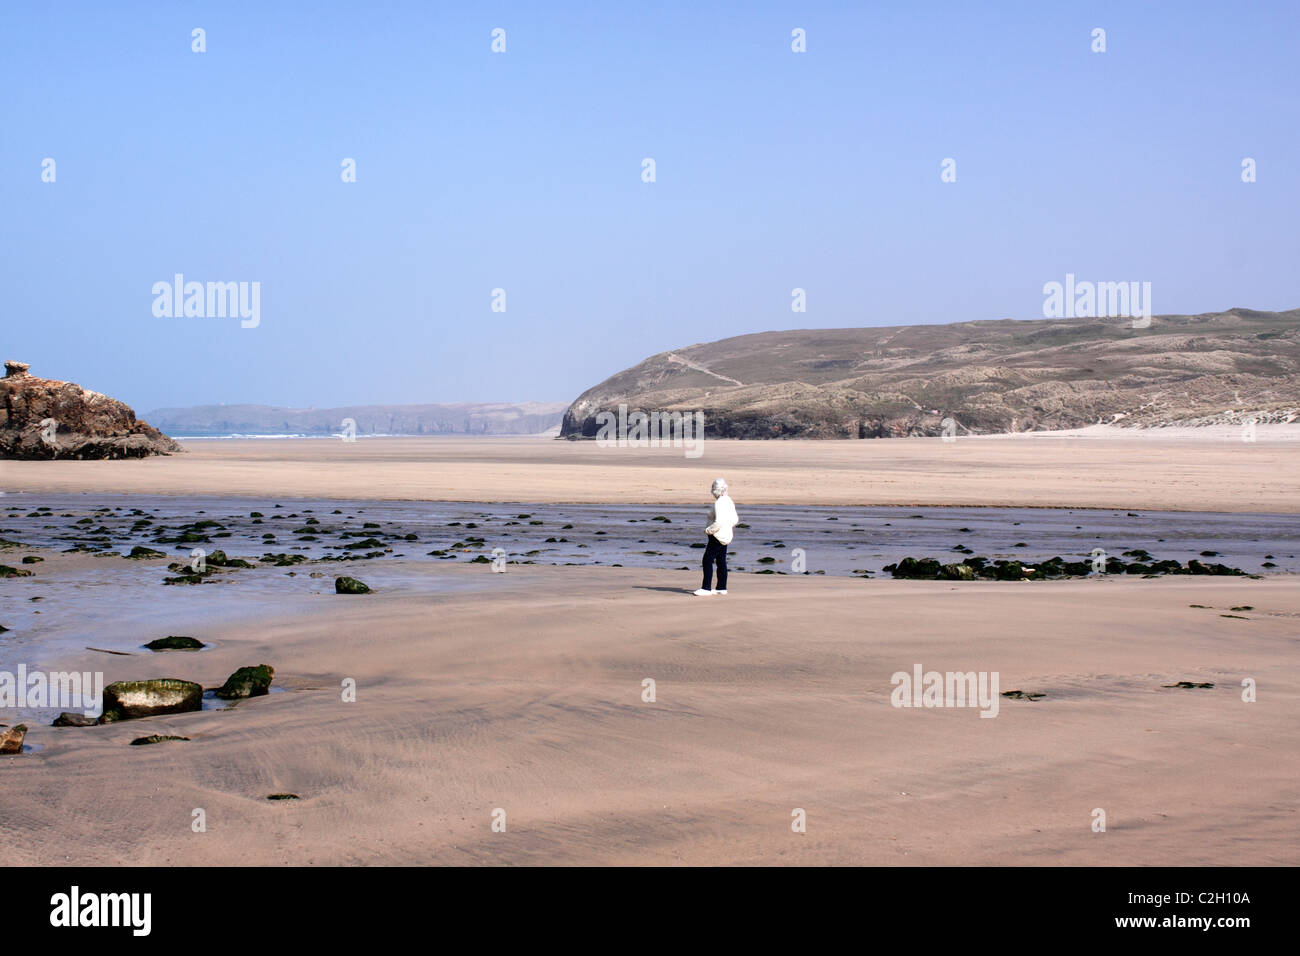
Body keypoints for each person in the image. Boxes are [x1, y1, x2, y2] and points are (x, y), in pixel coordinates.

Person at [694, 477, 738, 596]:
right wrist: (727, 527)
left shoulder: (719, 503)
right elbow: (735, 519)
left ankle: (706, 588)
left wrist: (708, 530)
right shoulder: (729, 500)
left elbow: (718, 522)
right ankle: (721, 587)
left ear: (715, 490)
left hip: (717, 536)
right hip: (726, 535)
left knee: (707, 560)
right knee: (721, 561)